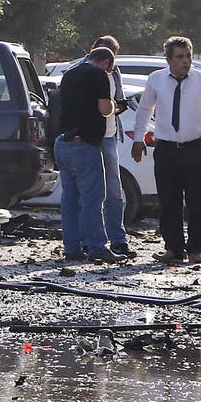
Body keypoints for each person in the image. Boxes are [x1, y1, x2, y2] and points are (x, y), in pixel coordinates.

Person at [130, 36, 201, 265]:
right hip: (166, 148)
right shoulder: (156, 79)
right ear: (168, 59)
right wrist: (138, 139)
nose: (186, 61)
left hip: (194, 148)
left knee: (197, 199)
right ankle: (173, 248)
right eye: (180, 57)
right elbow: (145, 109)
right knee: (169, 201)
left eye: (188, 56)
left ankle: (196, 249)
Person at [55, 47, 124, 264]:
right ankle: (96, 246)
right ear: (105, 63)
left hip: (63, 142)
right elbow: (104, 109)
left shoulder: (69, 74)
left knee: (69, 199)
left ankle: (72, 247)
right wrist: (115, 105)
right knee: (93, 199)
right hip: (85, 145)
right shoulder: (98, 75)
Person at [80, 35, 133, 256]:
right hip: (86, 136)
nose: (108, 59)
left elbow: (118, 101)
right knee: (88, 192)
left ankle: (118, 239)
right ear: (93, 49)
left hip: (108, 135)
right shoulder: (79, 70)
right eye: (104, 52)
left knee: (114, 189)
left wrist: (118, 106)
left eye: (112, 54)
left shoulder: (114, 70)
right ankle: (88, 240)